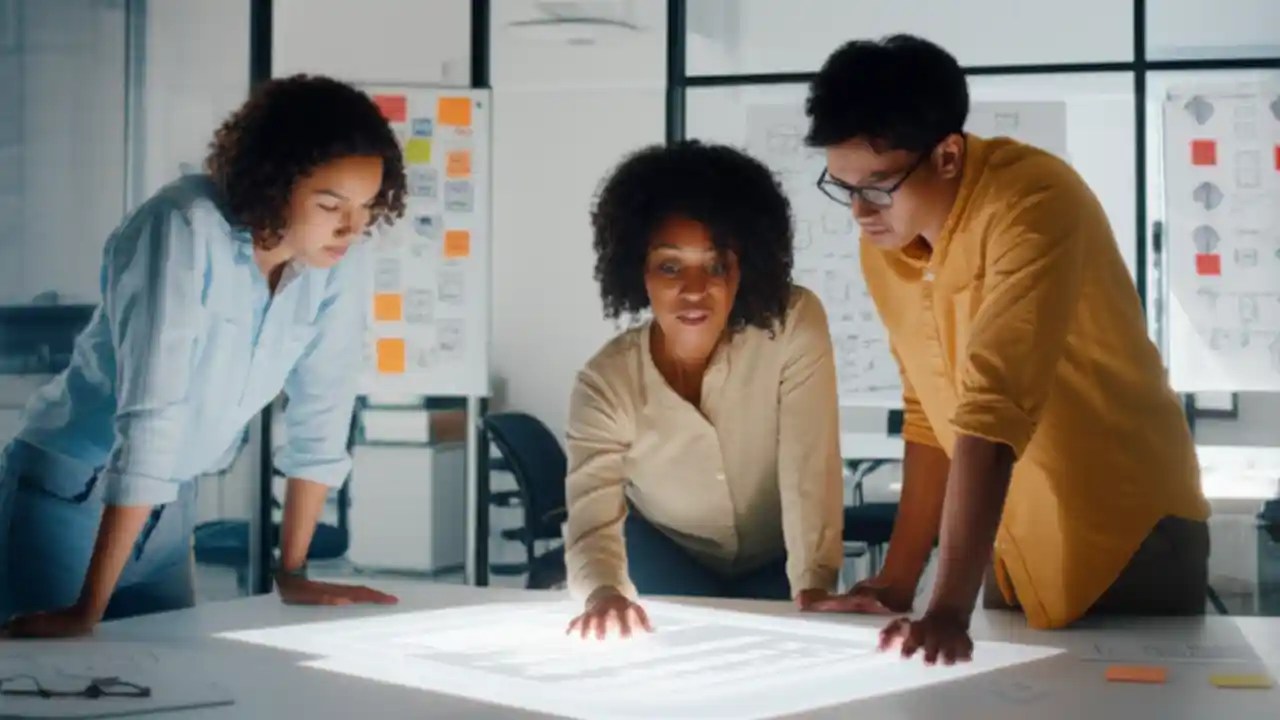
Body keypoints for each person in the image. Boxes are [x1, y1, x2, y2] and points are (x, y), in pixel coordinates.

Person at [800, 35, 1210, 664]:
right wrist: (899, 581)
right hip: (1010, 542)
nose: (859, 211)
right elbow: (930, 414)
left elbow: (992, 410)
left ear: (947, 155)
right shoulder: (887, 242)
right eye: (843, 186)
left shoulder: (1033, 201)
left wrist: (946, 608)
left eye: (878, 186)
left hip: (1125, 532)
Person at [0, 74, 408, 638]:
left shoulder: (335, 258)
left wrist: (293, 571)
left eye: (366, 206)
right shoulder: (183, 226)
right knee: (51, 675)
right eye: (329, 204)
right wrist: (86, 609)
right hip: (68, 494)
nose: (351, 225)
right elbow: (152, 415)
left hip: (168, 501)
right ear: (274, 182)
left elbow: (325, 407)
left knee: (170, 674)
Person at [564, 141, 845, 640]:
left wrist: (815, 587)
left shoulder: (792, 326)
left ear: (744, 270)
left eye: (715, 266)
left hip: (774, 555)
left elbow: (810, 473)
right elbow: (592, 520)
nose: (694, 289)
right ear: (639, 272)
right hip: (666, 550)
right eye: (670, 267)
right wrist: (603, 593)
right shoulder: (605, 383)